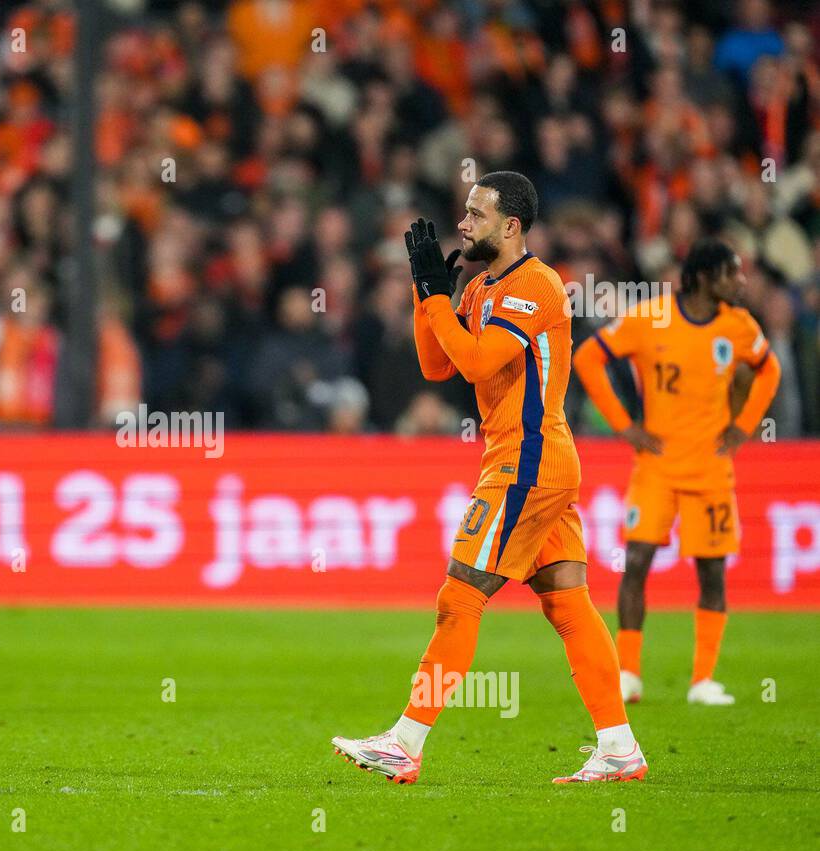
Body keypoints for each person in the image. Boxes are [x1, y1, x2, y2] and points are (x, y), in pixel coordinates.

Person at [332, 172, 646, 784]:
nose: (463, 224)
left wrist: (435, 298)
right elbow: (436, 364)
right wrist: (429, 293)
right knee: (567, 604)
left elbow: (477, 360)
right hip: (535, 462)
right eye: (464, 212)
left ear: (512, 227)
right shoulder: (479, 287)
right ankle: (618, 746)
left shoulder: (536, 286)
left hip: (525, 464)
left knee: (459, 597)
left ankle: (405, 741)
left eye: (476, 215)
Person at [572, 239, 780, 705]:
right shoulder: (650, 318)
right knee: (637, 563)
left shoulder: (739, 326)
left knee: (712, 572)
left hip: (710, 468)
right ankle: (628, 674)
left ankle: (703, 680)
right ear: (705, 277)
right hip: (658, 466)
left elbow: (770, 372)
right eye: (732, 273)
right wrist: (625, 426)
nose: (741, 282)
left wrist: (745, 427)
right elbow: (587, 358)